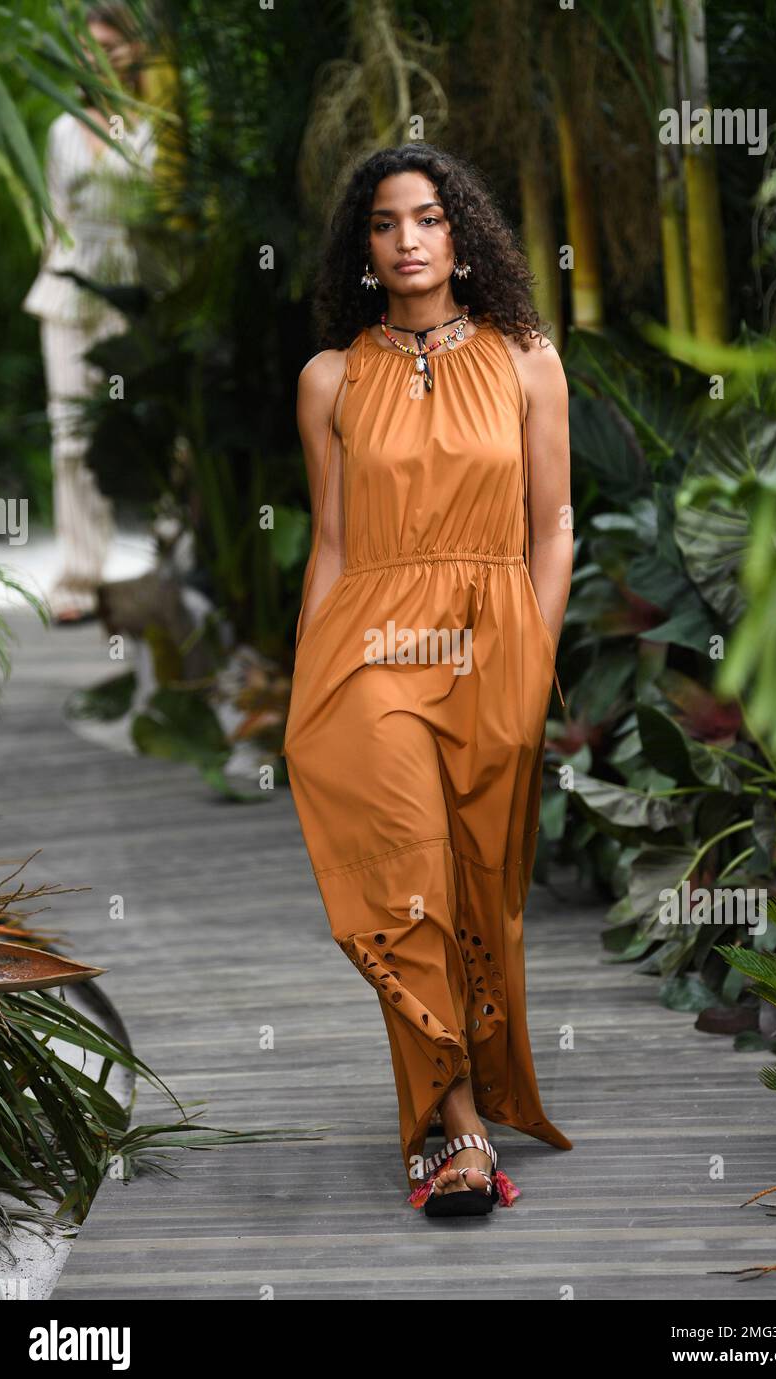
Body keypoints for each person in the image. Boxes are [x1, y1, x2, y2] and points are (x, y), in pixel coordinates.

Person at [282, 143, 574, 1218]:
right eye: (383, 223)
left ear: (461, 235)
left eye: (428, 218)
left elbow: (553, 530)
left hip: (492, 646)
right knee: (407, 877)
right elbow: (330, 545)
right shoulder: (329, 378)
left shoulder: (526, 358)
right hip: (371, 651)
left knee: (472, 890)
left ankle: (464, 1097)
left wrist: (529, 662)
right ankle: (455, 1132)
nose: (406, 241)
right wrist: (309, 678)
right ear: (360, 247)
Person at [21, 3, 156, 623]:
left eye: (114, 43)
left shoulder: (157, 125)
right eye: (92, 45)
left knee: (154, 425)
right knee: (70, 434)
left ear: (134, 50)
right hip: (67, 292)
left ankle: (170, 566)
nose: (103, 56)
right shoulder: (57, 130)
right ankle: (79, 574)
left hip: (137, 293)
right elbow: (52, 219)